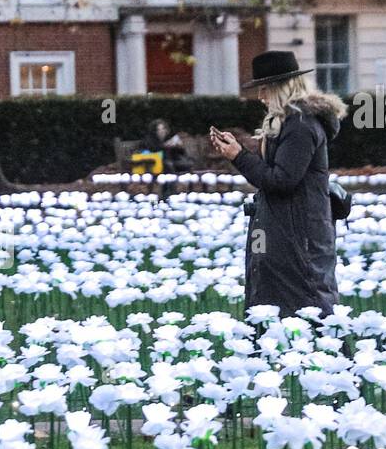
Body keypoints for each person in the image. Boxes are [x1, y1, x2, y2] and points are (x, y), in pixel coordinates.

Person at [207, 50, 346, 317]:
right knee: (267, 298)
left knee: (307, 308)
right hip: (275, 230)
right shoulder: (289, 123)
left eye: (265, 88)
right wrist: (240, 150)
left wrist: (239, 156)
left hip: (297, 235)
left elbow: (281, 180)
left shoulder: (301, 125)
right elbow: (276, 169)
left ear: (282, 88)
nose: (260, 96)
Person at [141, 118, 194, 195]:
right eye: (159, 129)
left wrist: (179, 147)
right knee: (168, 165)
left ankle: (190, 192)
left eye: (163, 129)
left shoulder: (168, 138)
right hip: (155, 164)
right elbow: (153, 151)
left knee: (187, 164)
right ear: (154, 131)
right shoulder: (150, 139)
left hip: (171, 161)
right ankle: (172, 192)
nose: (162, 131)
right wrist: (165, 146)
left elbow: (179, 153)